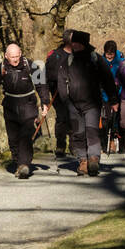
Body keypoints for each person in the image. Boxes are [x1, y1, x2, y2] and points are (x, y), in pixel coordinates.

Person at [50, 29, 118, 176]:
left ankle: (93, 158)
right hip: (73, 105)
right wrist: (65, 100)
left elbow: (108, 80)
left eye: (76, 43)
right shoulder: (66, 61)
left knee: (92, 131)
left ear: (83, 44)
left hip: (92, 103)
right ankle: (83, 161)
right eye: (72, 42)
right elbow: (61, 81)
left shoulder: (96, 60)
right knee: (78, 134)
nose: (73, 45)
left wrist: (113, 100)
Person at [0, 43, 50, 178]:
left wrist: (44, 102)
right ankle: (18, 162)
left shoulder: (31, 66)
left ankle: (24, 164)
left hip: (28, 104)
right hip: (10, 106)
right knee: (13, 138)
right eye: (12, 57)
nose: (15, 60)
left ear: (21, 54)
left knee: (26, 135)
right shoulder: (1, 67)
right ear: (6, 56)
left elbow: (42, 85)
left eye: (17, 56)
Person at [44, 30, 73, 159]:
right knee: (62, 117)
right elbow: (47, 75)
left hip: (75, 92)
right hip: (58, 91)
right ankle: (60, 145)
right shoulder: (55, 55)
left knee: (75, 117)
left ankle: (74, 145)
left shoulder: (80, 55)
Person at [101, 40, 123, 152]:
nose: (109, 58)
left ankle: (116, 141)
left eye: (111, 55)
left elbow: (124, 77)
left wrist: (118, 83)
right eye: (107, 55)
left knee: (116, 119)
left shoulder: (120, 62)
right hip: (104, 95)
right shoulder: (100, 61)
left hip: (117, 94)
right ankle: (103, 144)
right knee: (106, 120)